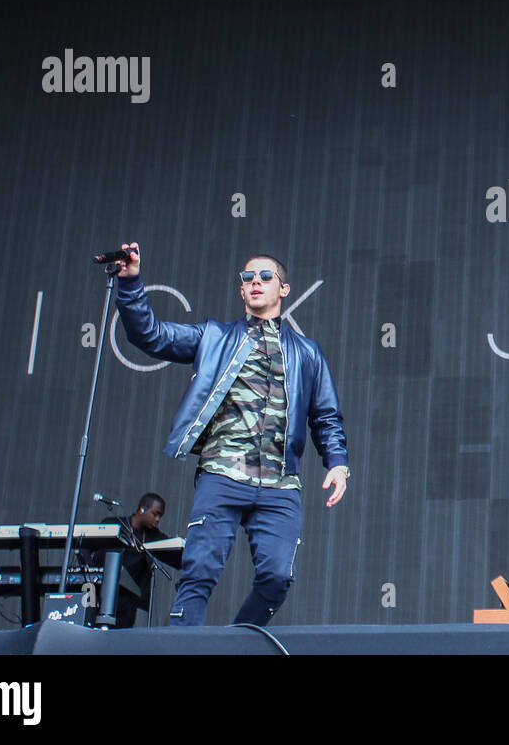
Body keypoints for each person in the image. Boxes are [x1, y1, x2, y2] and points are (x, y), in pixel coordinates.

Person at [114, 243, 350, 626]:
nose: (255, 282)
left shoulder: (307, 352)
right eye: (247, 277)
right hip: (223, 474)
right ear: (241, 290)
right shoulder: (214, 337)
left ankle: (239, 645)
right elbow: (150, 335)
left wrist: (338, 464)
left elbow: (326, 416)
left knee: (277, 578)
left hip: (279, 484)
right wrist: (130, 283)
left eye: (265, 276)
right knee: (199, 572)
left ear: (283, 289)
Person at [88, 493, 167, 628]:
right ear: (142, 509)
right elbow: (85, 547)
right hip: (98, 594)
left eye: (160, 516)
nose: (158, 519)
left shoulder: (154, 536)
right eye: (155, 514)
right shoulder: (113, 524)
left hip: (127, 604)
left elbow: (173, 549)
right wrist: (89, 572)